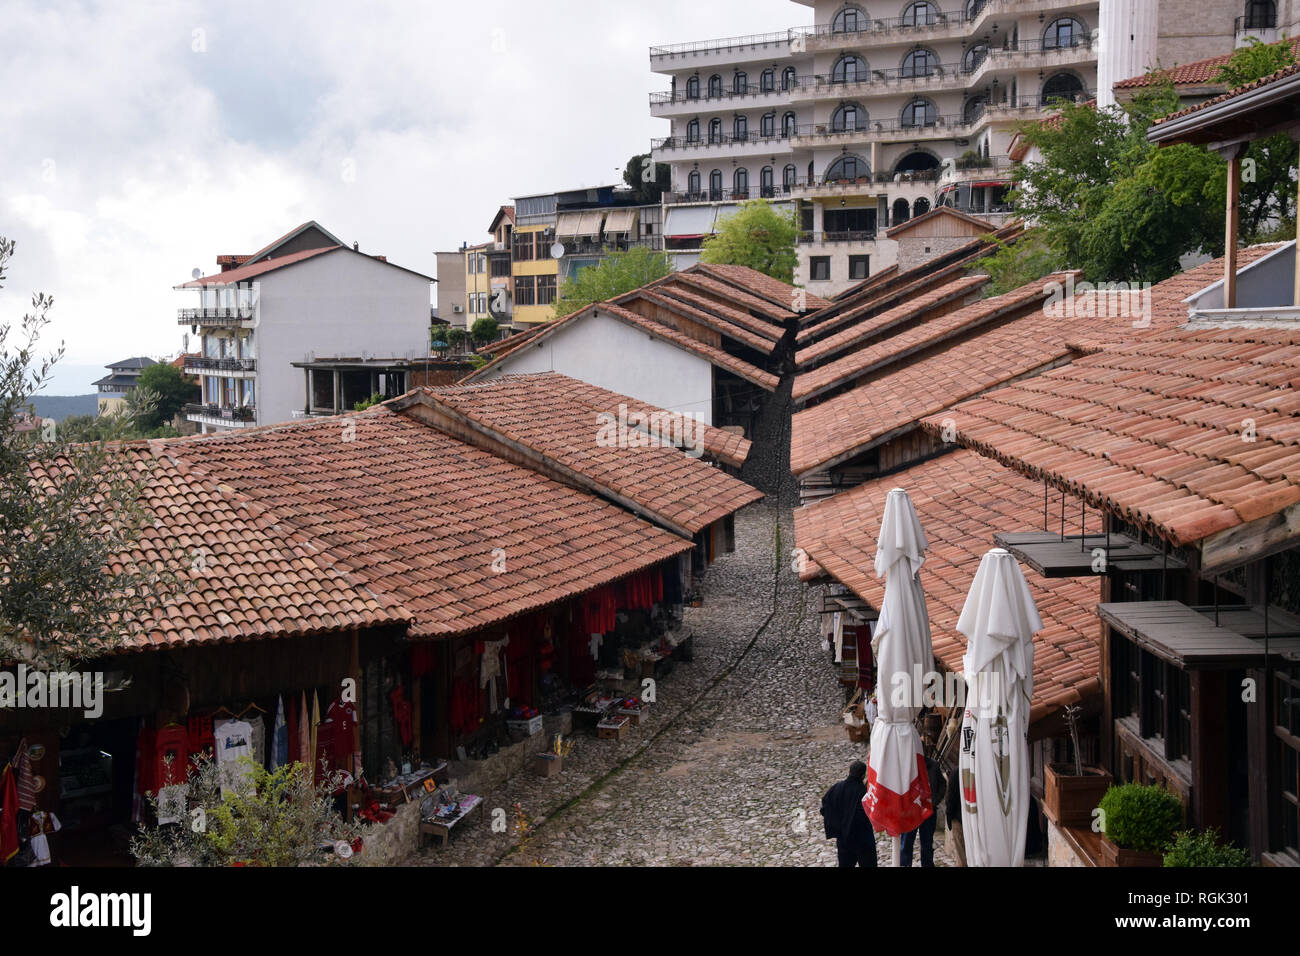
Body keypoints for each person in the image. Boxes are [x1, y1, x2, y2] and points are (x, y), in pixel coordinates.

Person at [820, 760, 878, 867]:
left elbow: (824, 809)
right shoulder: (864, 792)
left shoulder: (836, 788)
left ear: (849, 771)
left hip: (844, 839)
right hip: (863, 839)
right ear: (863, 775)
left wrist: (837, 824)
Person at [900, 742, 946, 867]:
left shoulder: (933, 766)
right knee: (906, 843)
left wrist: (934, 801)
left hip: (928, 810)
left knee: (927, 843)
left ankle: (927, 864)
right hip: (911, 811)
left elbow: (942, 785)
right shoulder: (907, 767)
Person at [944, 760, 965, 866]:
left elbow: (951, 797)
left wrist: (949, 816)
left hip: (959, 818)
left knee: (961, 856)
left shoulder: (956, 772)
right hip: (975, 819)